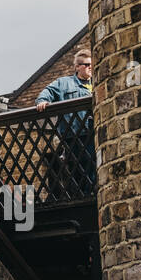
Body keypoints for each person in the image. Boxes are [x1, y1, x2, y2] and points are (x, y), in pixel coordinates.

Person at [35, 49, 95, 197]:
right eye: (86, 64)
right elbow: (47, 92)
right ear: (77, 67)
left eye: (92, 64)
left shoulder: (98, 81)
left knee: (95, 171)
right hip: (74, 136)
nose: (90, 67)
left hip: (96, 134)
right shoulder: (64, 83)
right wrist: (42, 101)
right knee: (79, 173)